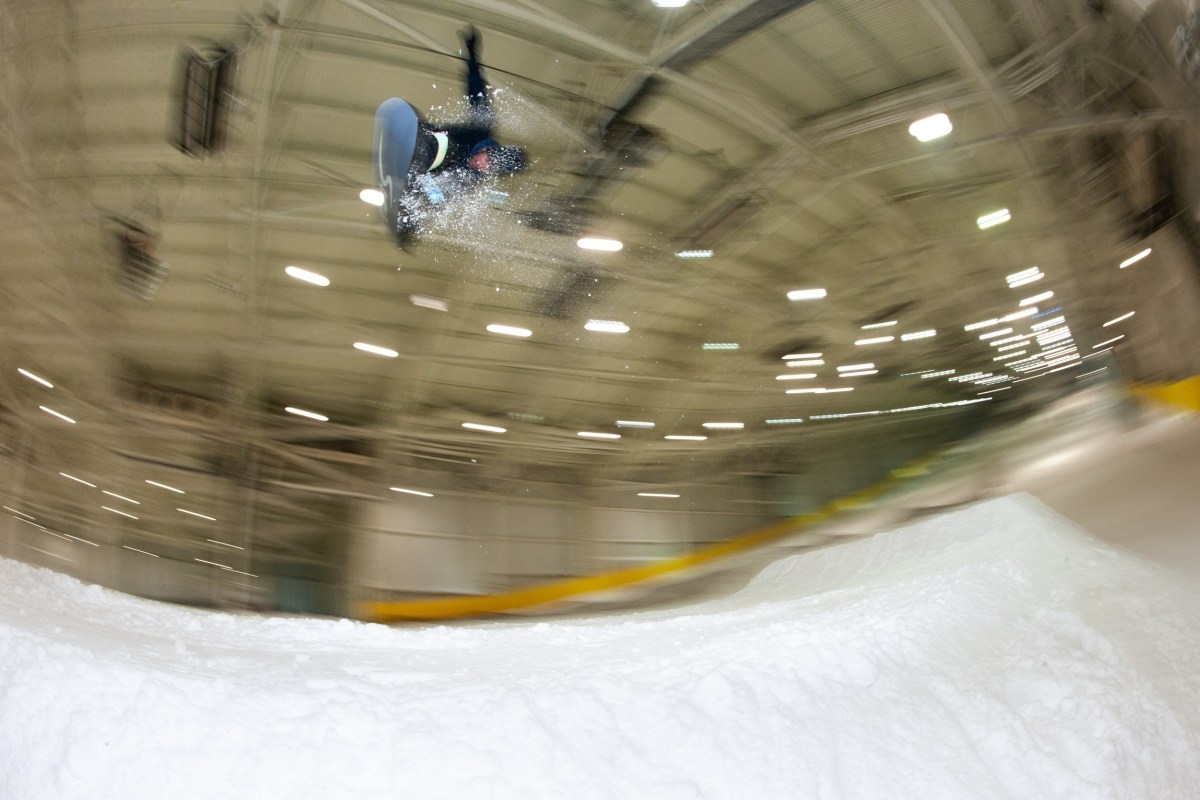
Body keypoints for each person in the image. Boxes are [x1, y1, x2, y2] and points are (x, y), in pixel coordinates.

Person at [394, 26, 526, 239]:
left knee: (442, 193)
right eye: (487, 161)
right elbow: (476, 89)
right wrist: (472, 54)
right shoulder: (481, 129)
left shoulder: (472, 179)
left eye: (488, 170)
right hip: (428, 140)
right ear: (489, 150)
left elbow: (439, 198)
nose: (481, 166)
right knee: (447, 148)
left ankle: (408, 219)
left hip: (423, 172)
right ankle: (417, 150)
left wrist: (416, 200)